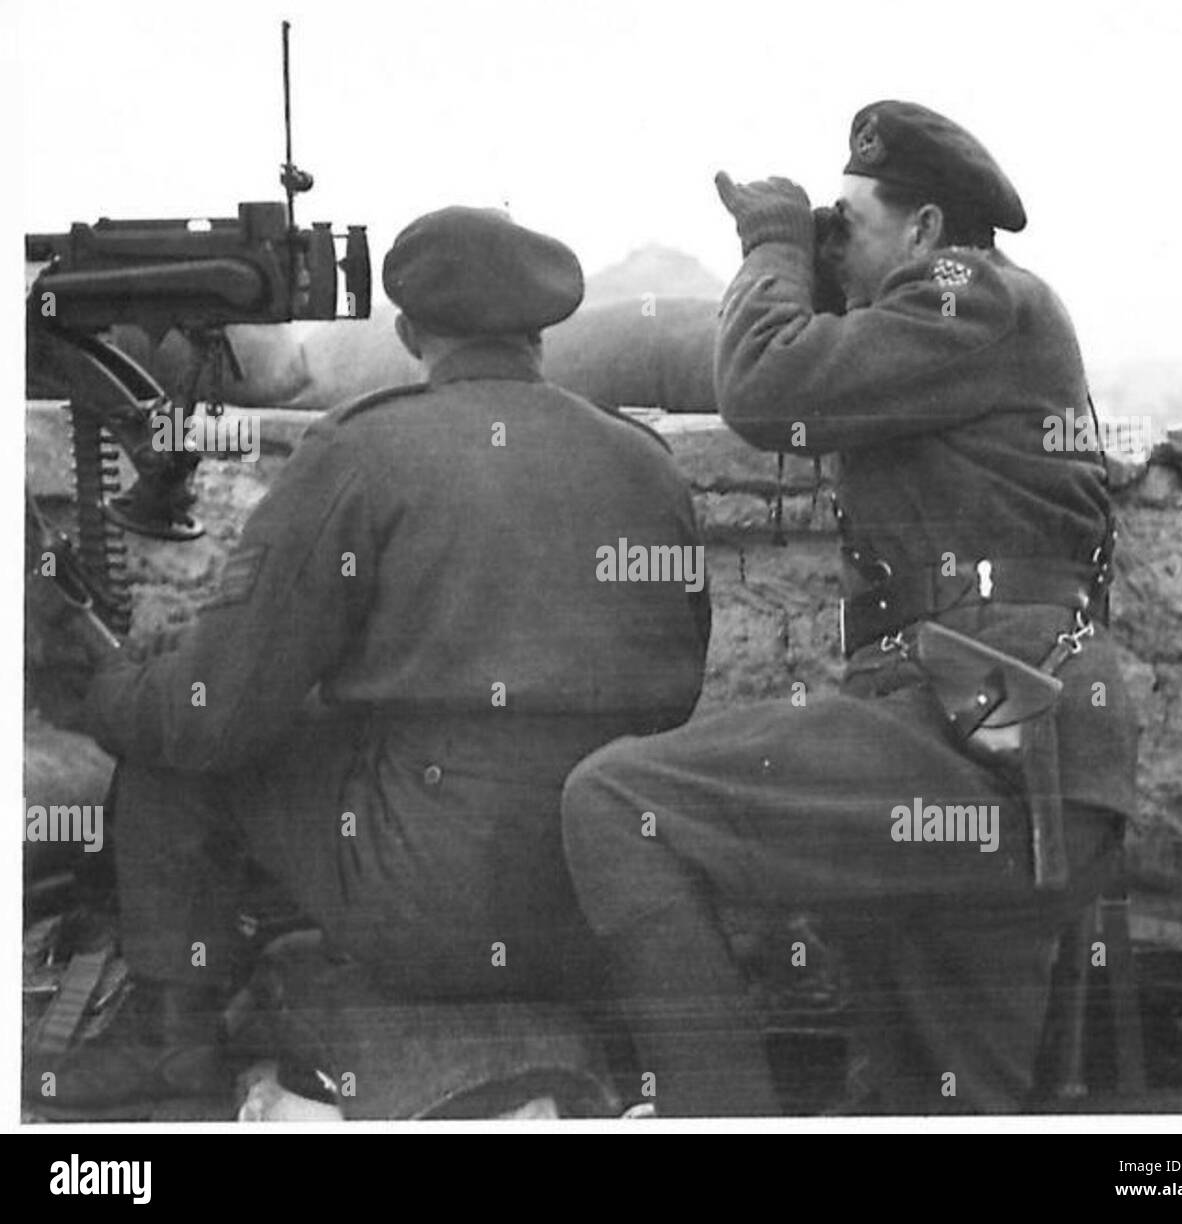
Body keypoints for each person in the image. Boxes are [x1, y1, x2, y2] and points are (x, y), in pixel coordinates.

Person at [35, 206, 711, 1112]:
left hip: (437, 911)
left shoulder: (364, 450)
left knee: (175, 749)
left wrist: (103, 692)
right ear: (542, 334)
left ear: (405, 332)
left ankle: (173, 1051)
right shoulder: (647, 463)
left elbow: (210, 708)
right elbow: (677, 692)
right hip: (609, 899)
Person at [560, 100, 1138, 1116]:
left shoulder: (975, 295)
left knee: (619, 802)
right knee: (929, 1102)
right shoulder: (945, 328)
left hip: (991, 740)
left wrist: (778, 244)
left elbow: (766, 388)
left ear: (923, 232)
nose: (837, 244)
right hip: (998, 739)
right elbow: (715, 356)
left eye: (852, 223)